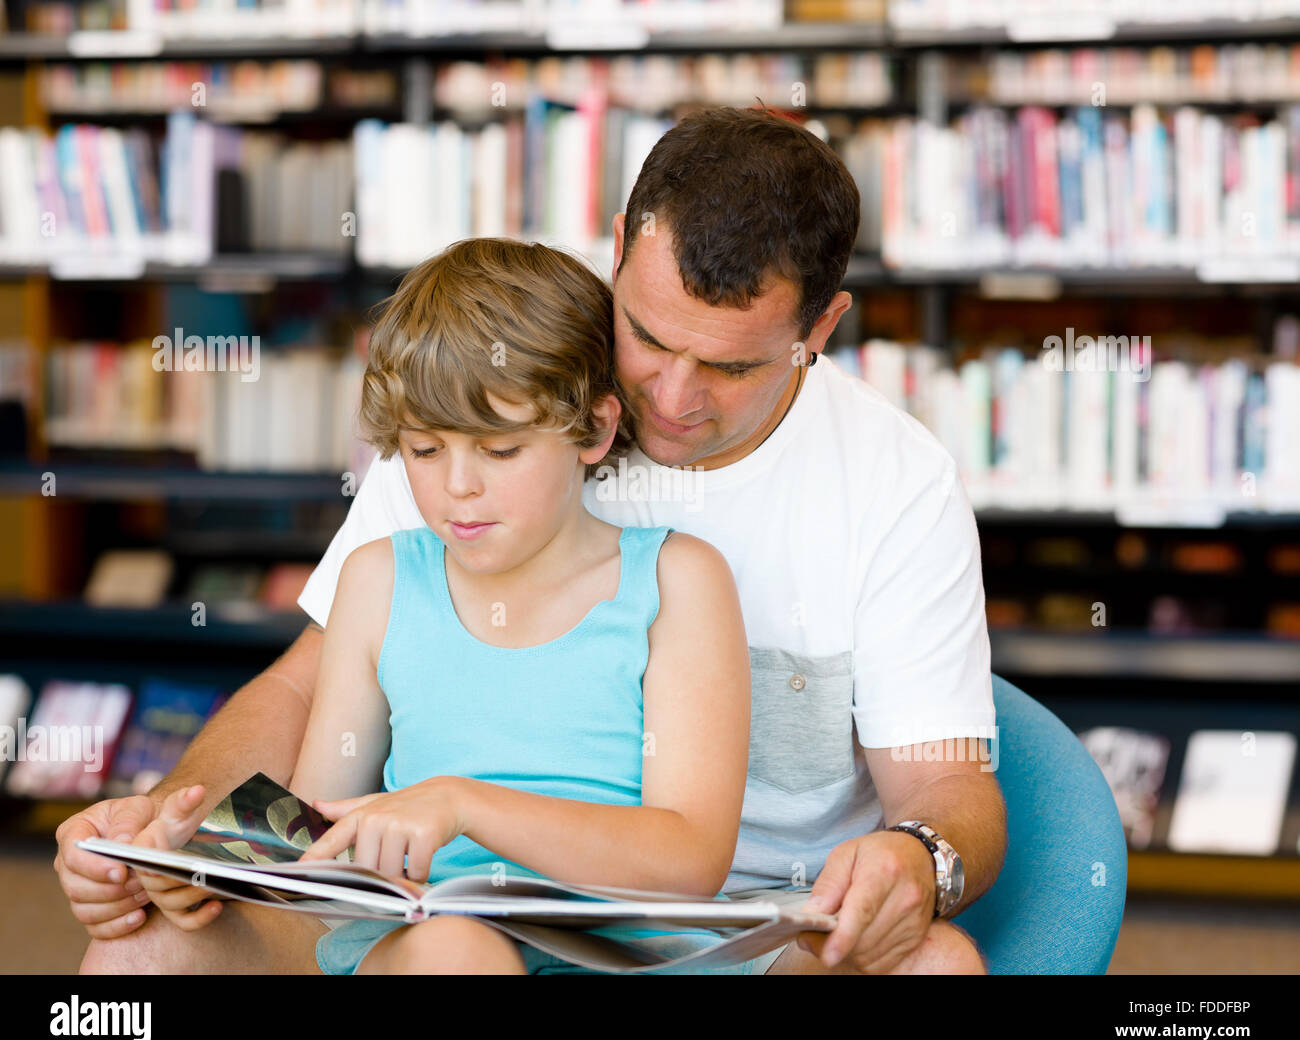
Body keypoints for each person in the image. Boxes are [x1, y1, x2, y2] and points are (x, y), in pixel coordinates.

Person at [69, 104, 1005, 976]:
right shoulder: (494, 394)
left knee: (938, 965)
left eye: (729, 365)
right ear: (617, 258)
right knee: (139, 951)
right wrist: (170, 829)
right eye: (646, 334)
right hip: (437, 914)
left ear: (820, 328)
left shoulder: (891, 483)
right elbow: (309, 696)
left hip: (729, 921)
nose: (672, 399)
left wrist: (914, 859)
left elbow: (944, 787)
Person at [124, 237, 753, 974]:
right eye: (425, 451)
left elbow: (689, 859)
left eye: (500, 449)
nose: (458, 487)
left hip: (629, 954)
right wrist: (195, 855)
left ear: (594, 428)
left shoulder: (677, 580)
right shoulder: (380, 580)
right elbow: (317, 822)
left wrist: (462, 803)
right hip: (429, 943)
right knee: (454, 949)